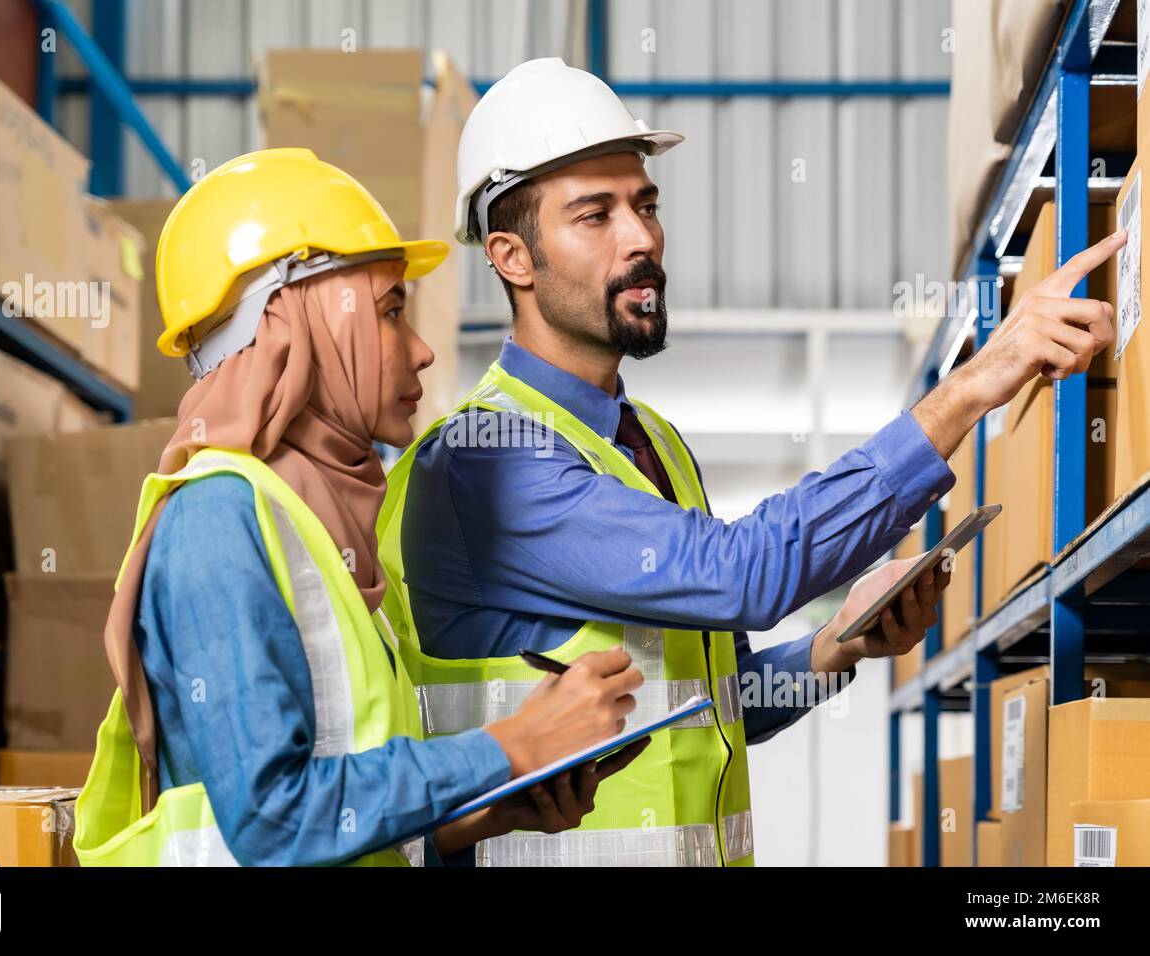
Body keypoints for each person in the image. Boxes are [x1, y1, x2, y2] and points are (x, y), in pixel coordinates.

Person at [377, 58, 1123, 867]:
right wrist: (974, 383)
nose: (642, 239)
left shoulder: (651, 441)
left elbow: (715, 702)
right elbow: (742, 575)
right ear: (512, 258)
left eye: (646, 205)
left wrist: (835, 645)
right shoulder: (483, 462)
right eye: (595, 216)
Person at [72, 148, 649, 867]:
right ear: (299, 325)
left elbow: (338, 817)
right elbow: (270, 820)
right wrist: (508, 745)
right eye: (389, 312)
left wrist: (493, 808)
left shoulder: (320, 529)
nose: (421, 351)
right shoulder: (217, 518)